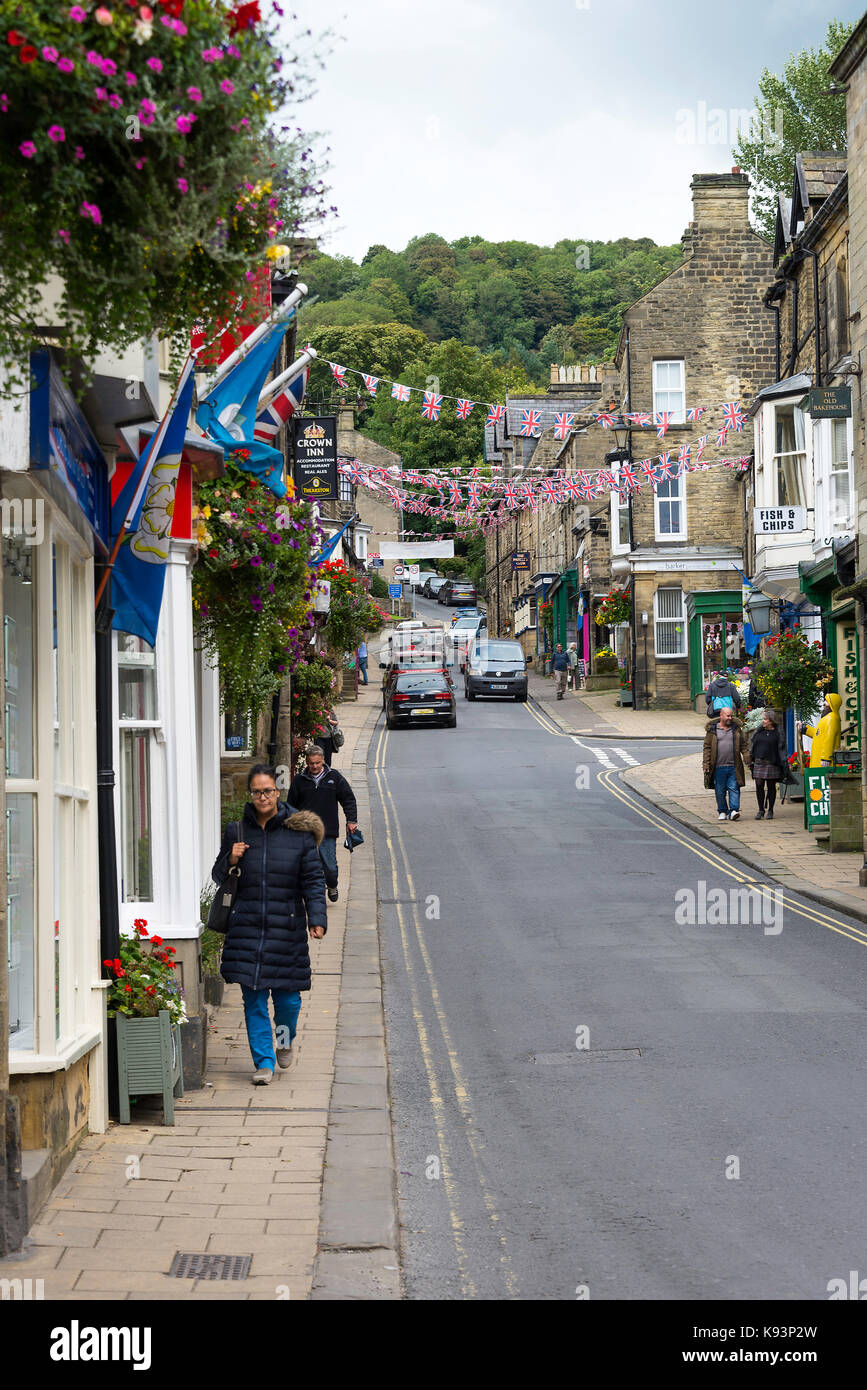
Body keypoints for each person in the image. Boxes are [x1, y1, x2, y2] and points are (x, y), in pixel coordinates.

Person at [212, 764, 327, 1086]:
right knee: (253, 999)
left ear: (277, 792)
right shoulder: (236, 832)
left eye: (268, 791)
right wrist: (230, 859)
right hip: (247, 927)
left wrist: (317, 919)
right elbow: (218, 877)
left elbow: (314, 881)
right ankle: (264, 1062)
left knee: (288, 1001)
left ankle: (283, 1041)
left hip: (286, 930)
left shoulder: (299, 835)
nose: (263, 797)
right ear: (250, 794)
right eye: (257, 792)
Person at [288, 745, 358, 904]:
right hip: (305, 831)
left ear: (323, 761)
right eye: (311, 763)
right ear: (306, 762)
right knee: (306, 867)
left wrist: (351, 820)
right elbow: (291, 806)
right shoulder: (299, 780)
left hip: (328, 830)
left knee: (330, 868)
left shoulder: (334, 777)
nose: (314, 766)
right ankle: (312, 897)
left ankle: (332, 885)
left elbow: (348, 799)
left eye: (317, 763)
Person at [703, 704, 746, 821]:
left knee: (734, 788)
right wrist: (706, 764)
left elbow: (743, 745)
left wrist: (747, 758)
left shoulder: (736, 729)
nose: (730, 718)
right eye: (727, 716)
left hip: (734, 766)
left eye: (731, 716)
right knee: (720, 791)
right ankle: (722, 811)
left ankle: (734, 811)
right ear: (721, 716)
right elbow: (707, 748)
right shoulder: (712, 730)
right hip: (717, 767)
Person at [745, 708, 791, 819]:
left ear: (771, 721)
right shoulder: (758, 731)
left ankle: (770, 810)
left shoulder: (778, 733)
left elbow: (782, 748)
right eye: (763, 719)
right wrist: (750, 758)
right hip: (759, 762)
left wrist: (784, 762)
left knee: (771, 787)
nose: (763, 721)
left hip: (772, 763)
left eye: (765, 719)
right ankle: (761, 810)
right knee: (759, 785)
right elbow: (752, 745)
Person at [799, 693, 842, 767]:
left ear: (833, 704)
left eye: (827, 701)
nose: (824, 703)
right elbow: (818, 734)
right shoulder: (827, 718)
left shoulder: (832, 718)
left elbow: (829, 739)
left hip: (824, 761)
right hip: (818, 757)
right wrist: (805, 728)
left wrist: (826, 758)